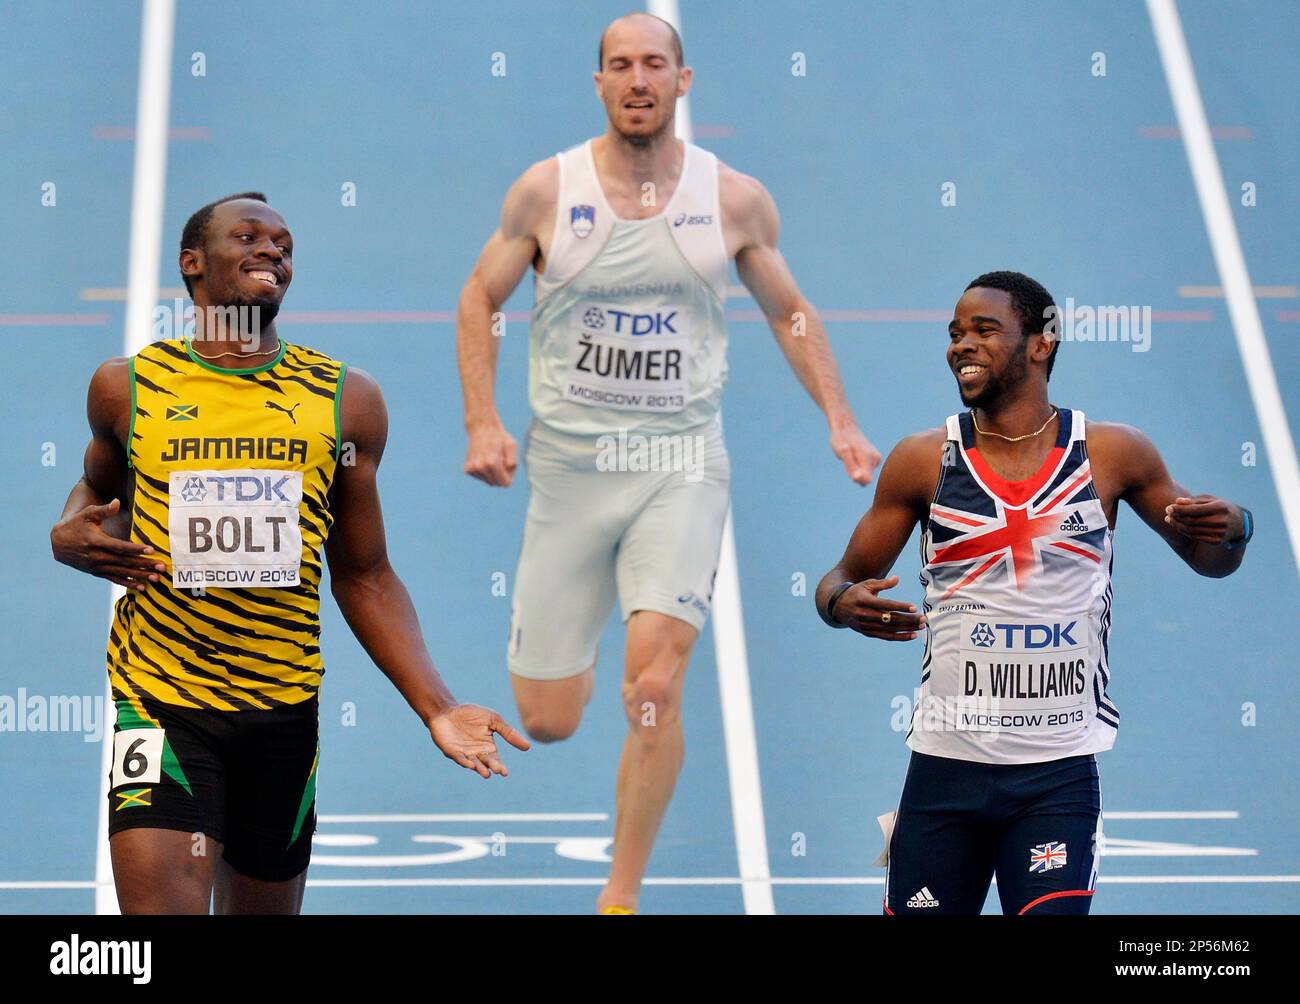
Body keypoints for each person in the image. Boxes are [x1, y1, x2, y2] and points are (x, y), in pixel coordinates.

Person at [456, 12, 880, 913]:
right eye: (620, 66)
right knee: (549, 719)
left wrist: (839, 419)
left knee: (653, 683)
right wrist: (482, 421)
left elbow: (791, 312)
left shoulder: (733, 200)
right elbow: (479, 298)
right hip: (570, 475)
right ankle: (579, 625)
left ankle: (621, 894)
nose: (639, 79)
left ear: (684, 81)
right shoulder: (545, 191)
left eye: (656, 64)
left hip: (680, 466)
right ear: (600, 85)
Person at [51, 192, 528, 915]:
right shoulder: (127, 388)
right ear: (192, 263)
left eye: (285, 244)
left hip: (281, 709)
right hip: (161, 698)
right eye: (249, 237)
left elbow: (364, 573)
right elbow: (95, 493)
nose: (274, 251)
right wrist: (69, 534)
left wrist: (438, 706)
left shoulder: (344, 402)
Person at [815, 270, 1251, 915]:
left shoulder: (1111, 454)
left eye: (984, 330)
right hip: (945, 770)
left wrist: (1236, 529)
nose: (961, 345)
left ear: (1041, 343)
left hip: (1057, 775)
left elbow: (1211, 561)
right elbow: (837, 579)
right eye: (956, 334)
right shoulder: (922, 460)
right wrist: (843, 606)